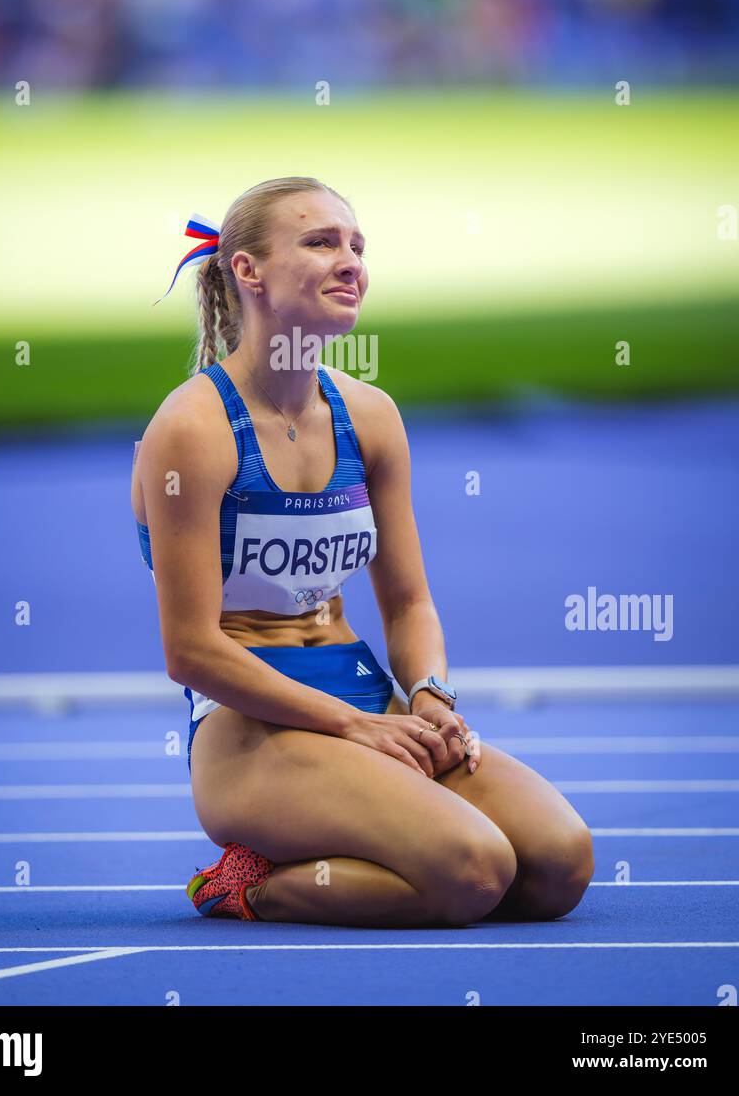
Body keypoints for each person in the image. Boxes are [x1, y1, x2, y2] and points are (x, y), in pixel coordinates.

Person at [131, 176, 593, 926]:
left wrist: (430, 696)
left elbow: (409, 602)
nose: (350, 262)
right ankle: (247, 882)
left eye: (357, 246)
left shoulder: (370, 417)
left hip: (367, 698)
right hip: (251, 729)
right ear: (246, 270)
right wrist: (353, 728)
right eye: (321, 243)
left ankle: (366, 830)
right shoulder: (193, 429)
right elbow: (191, 651)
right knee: (476, 871)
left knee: (559, 864)